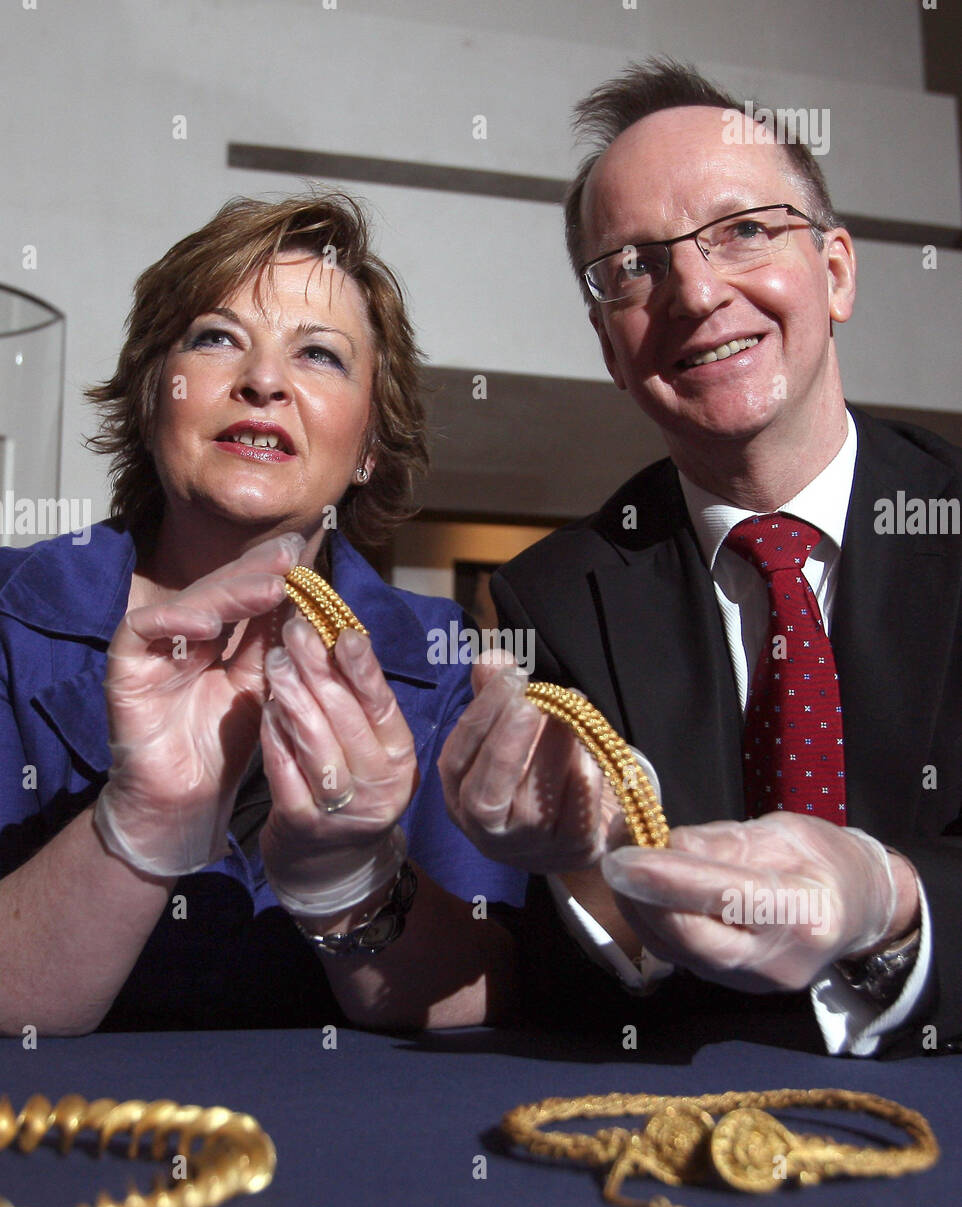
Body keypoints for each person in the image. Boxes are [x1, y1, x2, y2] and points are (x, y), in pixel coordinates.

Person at [440, 60, 962, 1057]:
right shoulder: (549, 599)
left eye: (741, 231)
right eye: (631, 265)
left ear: (836, 271)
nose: (691, 289)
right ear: (608, 345)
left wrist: (889, 906)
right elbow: (562, 995)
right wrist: (588, 873)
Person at [0, 192, 524, 1035]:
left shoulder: (444, 655)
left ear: (368, 448)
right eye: (216, 339)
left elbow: (485, 997)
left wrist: (350, 876)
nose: (264, 381)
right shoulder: (9, 616)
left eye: (319, 355)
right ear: (150, 395)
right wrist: (139, 823)